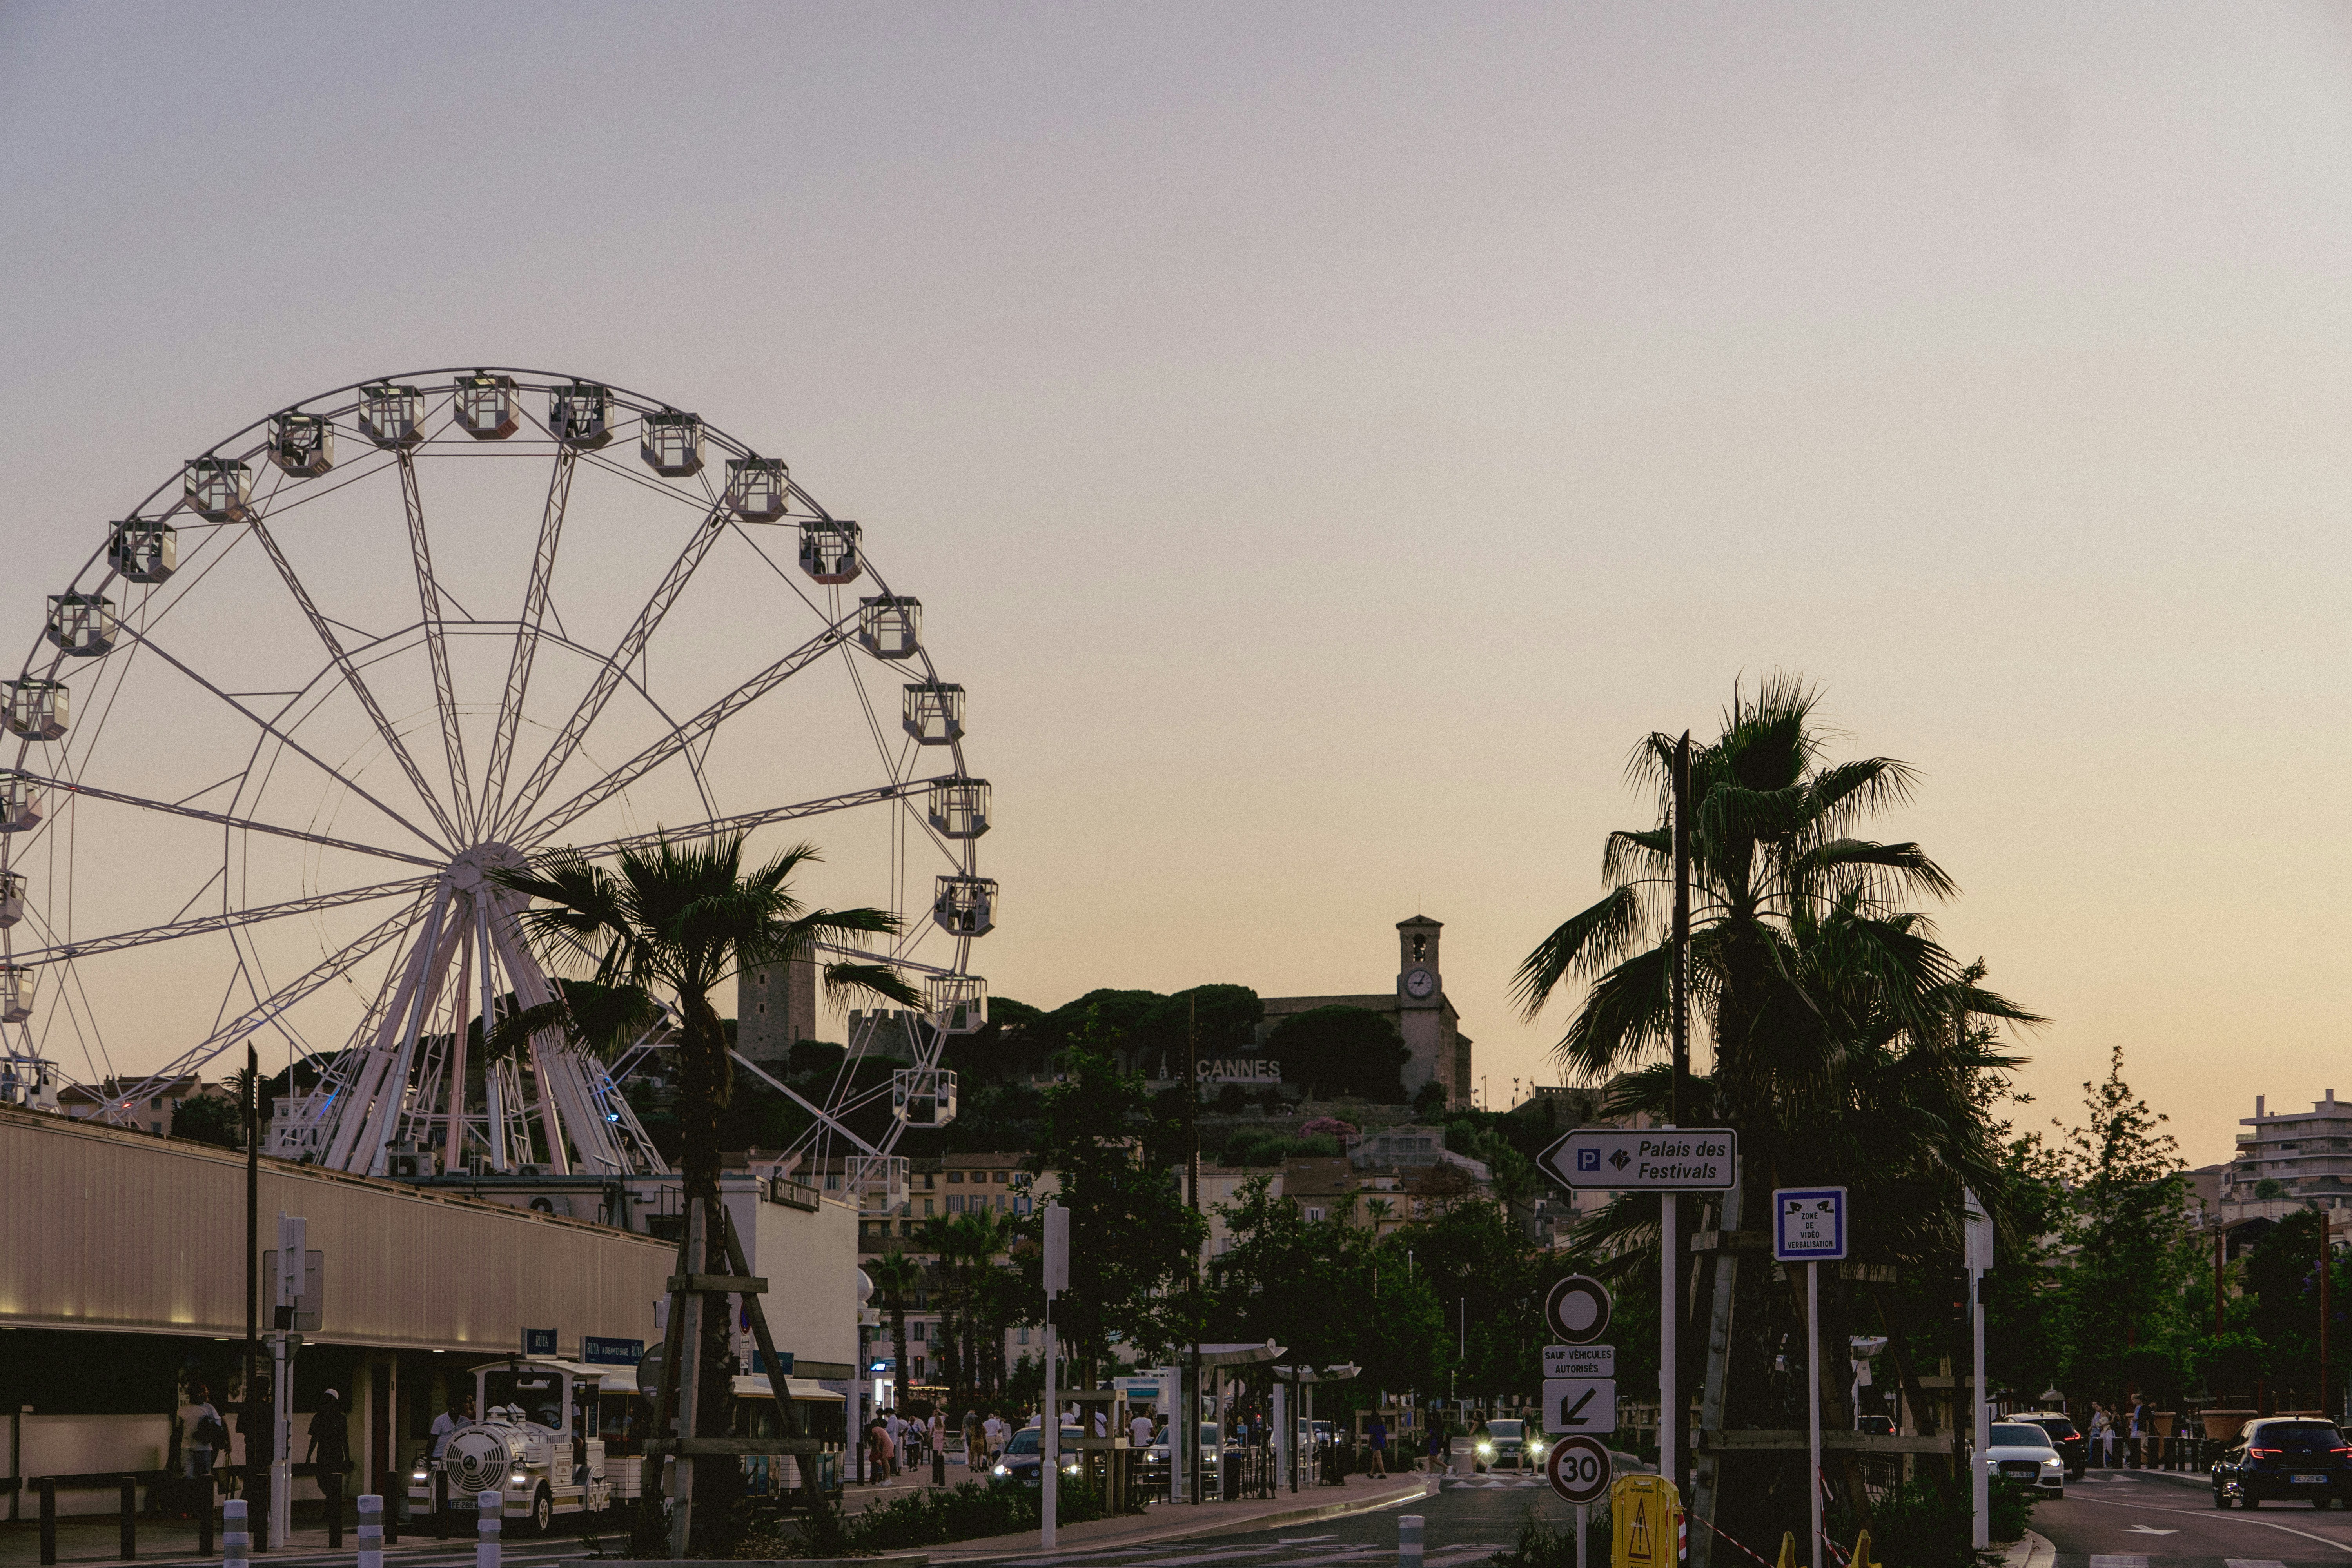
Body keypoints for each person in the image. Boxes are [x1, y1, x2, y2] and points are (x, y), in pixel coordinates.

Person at [307, 1390, 349, 1517]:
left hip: (334, 1455)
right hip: (324, 1455)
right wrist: (309, 1455)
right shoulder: (319, 1417)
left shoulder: (340, 1419)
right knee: (323, 1481)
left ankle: (330, 1509)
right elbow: (314, 1438)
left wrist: (347, 1458)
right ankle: (333, 1504)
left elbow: (344, 1441)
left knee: (332, 1482)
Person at [178, 1382, 224, 1481]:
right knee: (188, 1477)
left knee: (204, 1478)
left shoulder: (209, 1408)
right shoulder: (182, 1410)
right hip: (189, 1448)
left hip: (203, 1449)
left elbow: (219, 1429)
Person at [1366, 1412, 1388, 1477]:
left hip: (1375, 1442)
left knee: (1378, 1458)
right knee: (1375, 1458)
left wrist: (1369, 1443)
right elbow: (1385, 1436)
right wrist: (1387, 1444)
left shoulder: (1372, 1426)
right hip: (1381, 1442)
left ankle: (1383, 1473)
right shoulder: (1382, 1426)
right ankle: (1371, 1473)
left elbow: (1371, 1436)